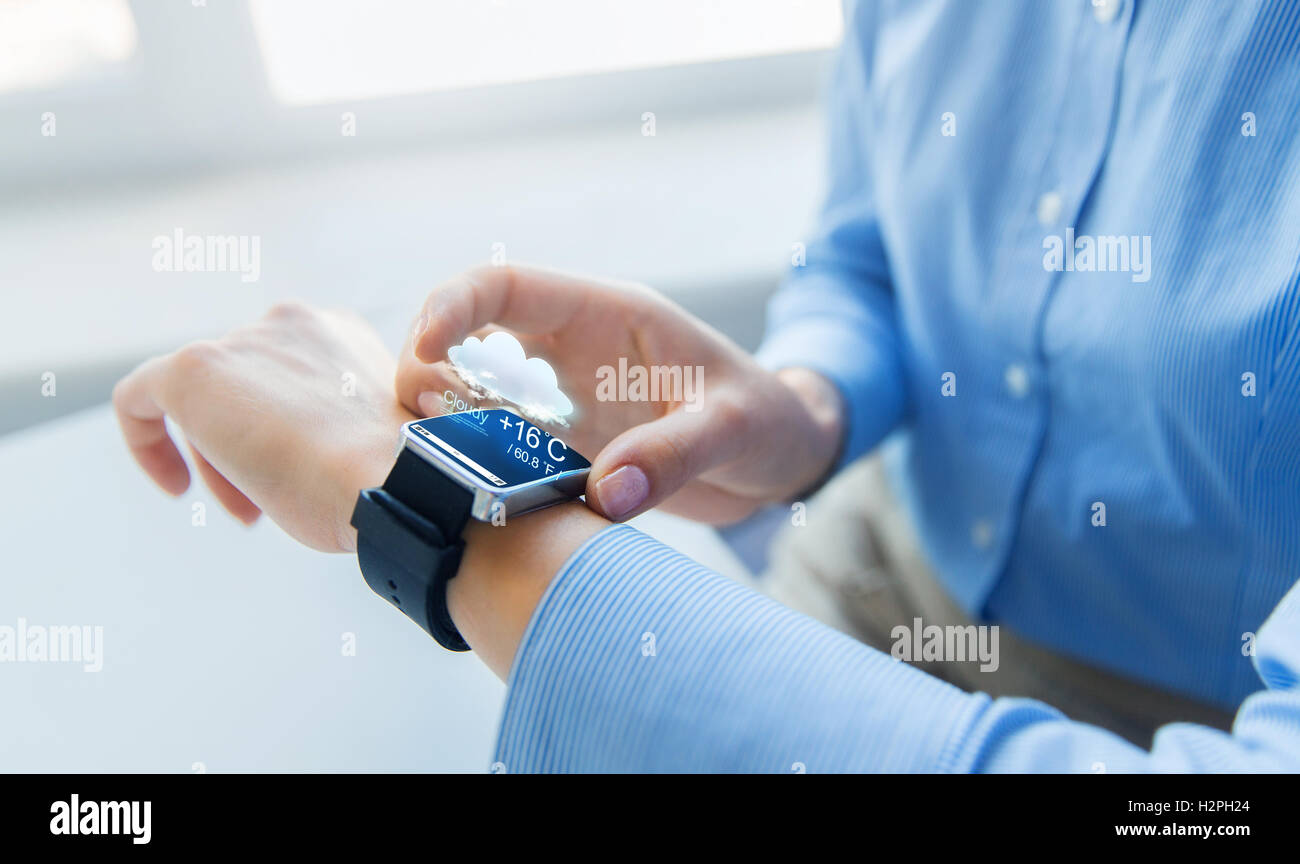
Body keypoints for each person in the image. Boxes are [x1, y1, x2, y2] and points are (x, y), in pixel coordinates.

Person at [114, 0, 1300, 771]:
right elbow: (864, 253)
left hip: (1168, 726)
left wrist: (426, 506)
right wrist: (805, 408)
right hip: (860, 557)